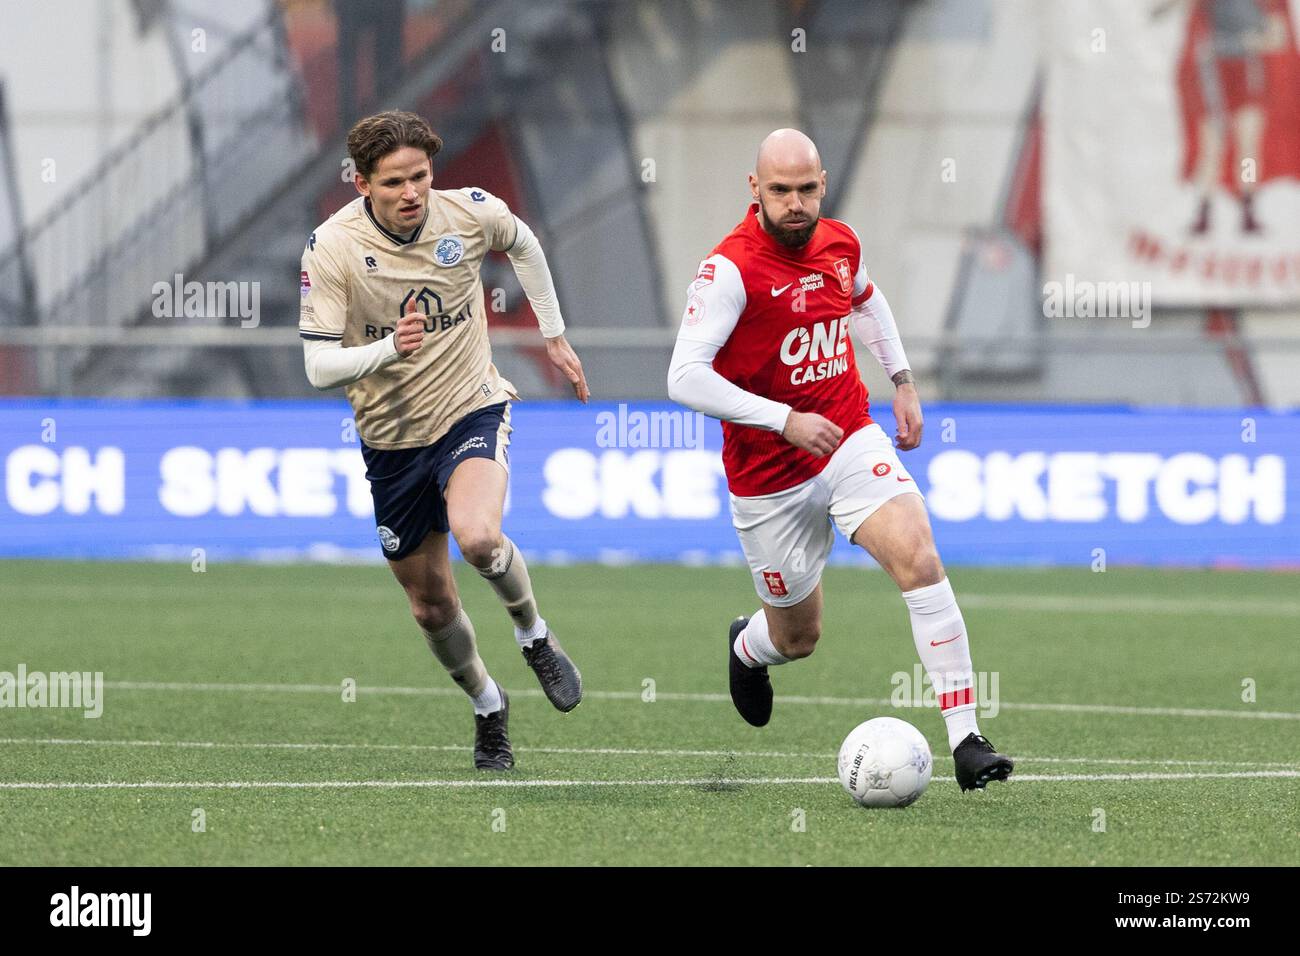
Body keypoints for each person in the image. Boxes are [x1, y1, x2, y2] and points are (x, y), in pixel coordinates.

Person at [667, 129, 1013, 791]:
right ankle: (748, 645)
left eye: (805, 189)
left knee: (919, 554)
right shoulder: (730, 269)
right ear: (754, 190)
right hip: (768, 477)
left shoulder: (840, 243)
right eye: (779, 191)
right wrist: (784, 420)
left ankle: (967, 739)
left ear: (822, 184)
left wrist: (903, 379)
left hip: (850, 435)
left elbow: (867, 299)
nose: (794, 204)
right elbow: (683, 377)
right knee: (798, 638)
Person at [299, 110, 589, 770]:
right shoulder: (332, 249)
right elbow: (318, 366)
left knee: (479, 535)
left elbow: (524, 244)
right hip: (391, 442)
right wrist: (382, 352)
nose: (411, 193)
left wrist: (554, 333)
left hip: (470, 409)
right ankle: (489, 706)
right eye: (395, 181)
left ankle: (533, 635)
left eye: (421, 177)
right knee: (432, 607)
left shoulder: (468, 214)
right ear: (363, 184)